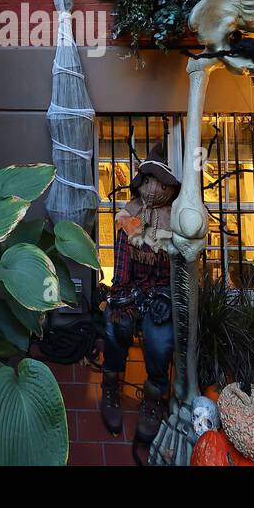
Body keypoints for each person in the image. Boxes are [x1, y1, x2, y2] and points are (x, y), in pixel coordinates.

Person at [99, 151, 181, 444]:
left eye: (158, 182)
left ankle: (154, 396)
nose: (152, 188)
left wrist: (170, 298)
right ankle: (110, 386)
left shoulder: (176, 220)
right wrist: (119, 296)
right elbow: (121, 263)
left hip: (161, 293)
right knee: (114, 325)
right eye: (147, 181)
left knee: (160, 340)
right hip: (131, 290)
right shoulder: (129, 216)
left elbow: (181, 270)